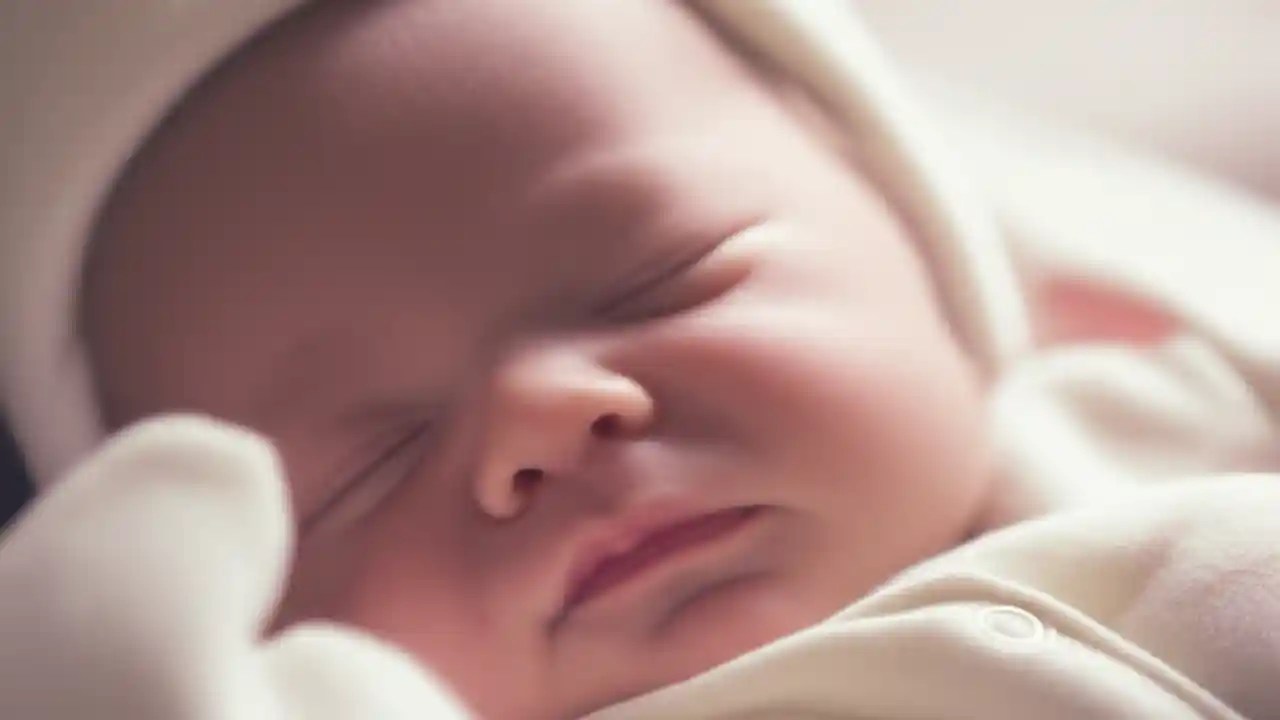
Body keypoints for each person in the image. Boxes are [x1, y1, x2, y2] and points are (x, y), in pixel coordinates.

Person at [1, 2, 1278, 719]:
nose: (545, 422)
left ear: (911, 233)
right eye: (368, 467)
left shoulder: (1192, 411)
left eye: (664, 277)